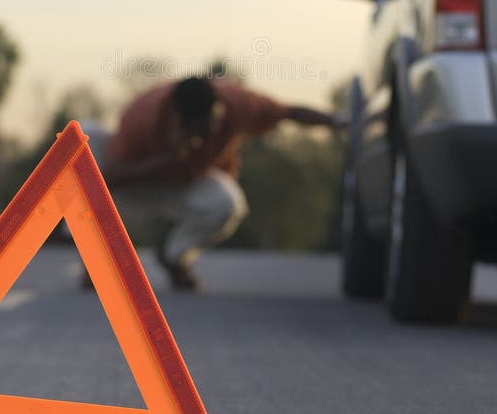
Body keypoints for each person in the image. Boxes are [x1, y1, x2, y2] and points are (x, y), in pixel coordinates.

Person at [81, 75, 346, 291]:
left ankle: (176, 256)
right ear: (178, 122)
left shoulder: (237, 103)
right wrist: (168, 160)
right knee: (84, 137)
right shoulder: (142, 116)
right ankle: (97, 256)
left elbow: (290, 112)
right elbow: (110, 179)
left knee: (227, 202)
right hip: (136, 183)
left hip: (188, 183)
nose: (212, 133)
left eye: (215, 122)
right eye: (201, 129)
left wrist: (336, 122)